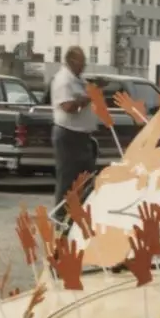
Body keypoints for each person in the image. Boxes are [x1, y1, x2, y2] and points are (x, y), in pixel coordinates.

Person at [50, 46, 98, 206]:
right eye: (81, 62)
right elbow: (69, 107)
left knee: (86, 179)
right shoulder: (63, 80)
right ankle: (61, 222)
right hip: (69, 135)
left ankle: (77, 217)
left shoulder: (77, 79)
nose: (83, 66)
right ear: (71, 61)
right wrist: (88, 98)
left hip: (81, 136)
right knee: (67, 180)